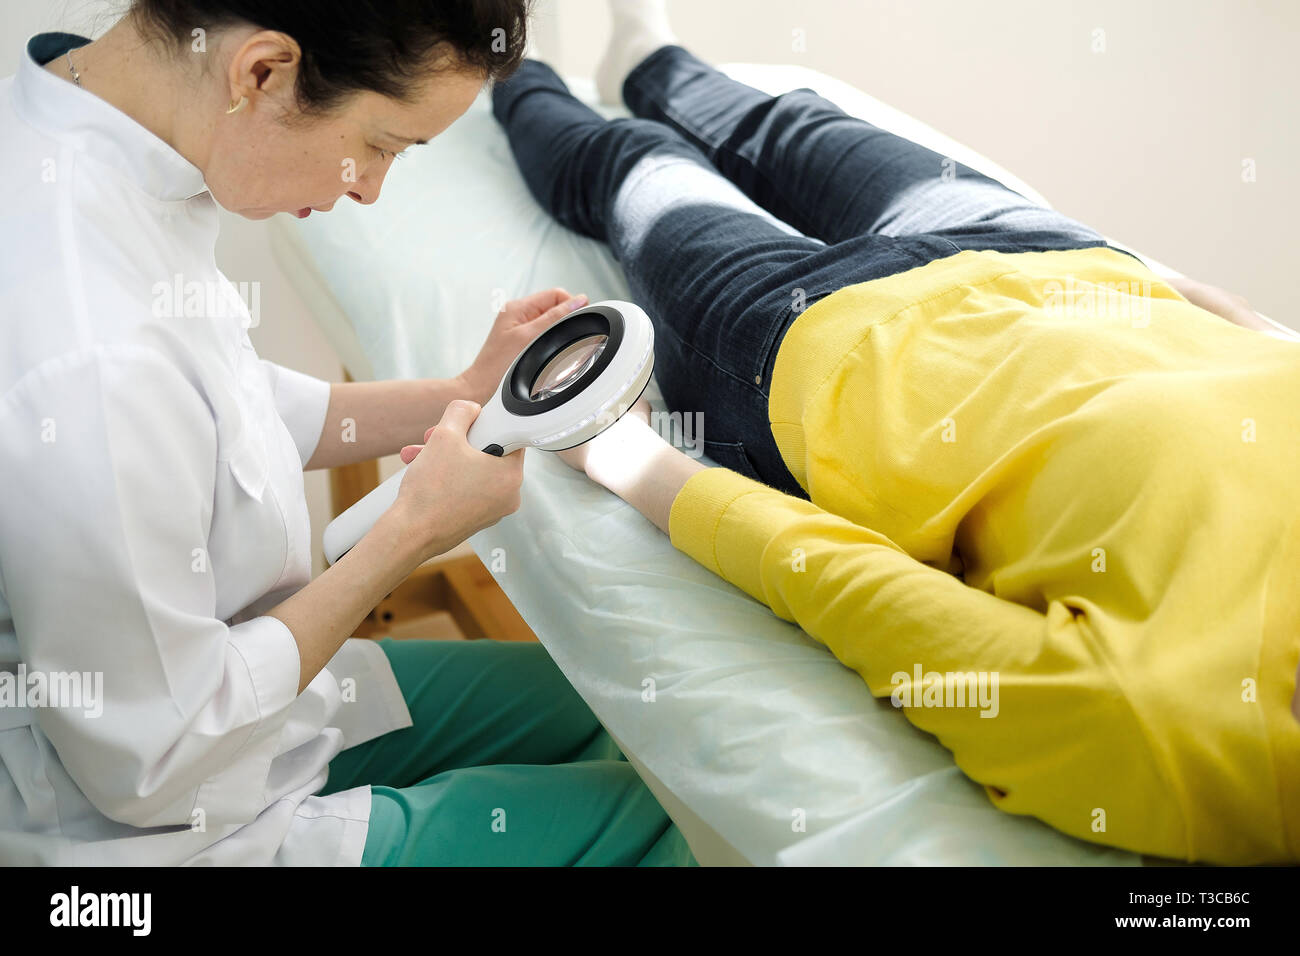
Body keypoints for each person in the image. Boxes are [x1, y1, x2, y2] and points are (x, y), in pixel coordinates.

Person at [487, 0, 1300, 863]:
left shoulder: (1167, 739)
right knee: (782, 122)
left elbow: (844, 583)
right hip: (1066, 266)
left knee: (631, 163)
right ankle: (648, 59)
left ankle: (505, 62)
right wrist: (1216, 307)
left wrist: (629, 460)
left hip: (821, 352)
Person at [0, 0, 694, 866]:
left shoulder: (93, 138)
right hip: (161, 822)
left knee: (633, 708)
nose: (368, 188)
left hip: (251, 708)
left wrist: (464, 391)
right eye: (382, 146)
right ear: (262, 72)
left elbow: (227, 401)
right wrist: (411, 535)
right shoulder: (88, 351)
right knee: (691, 814)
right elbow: (154, 765)